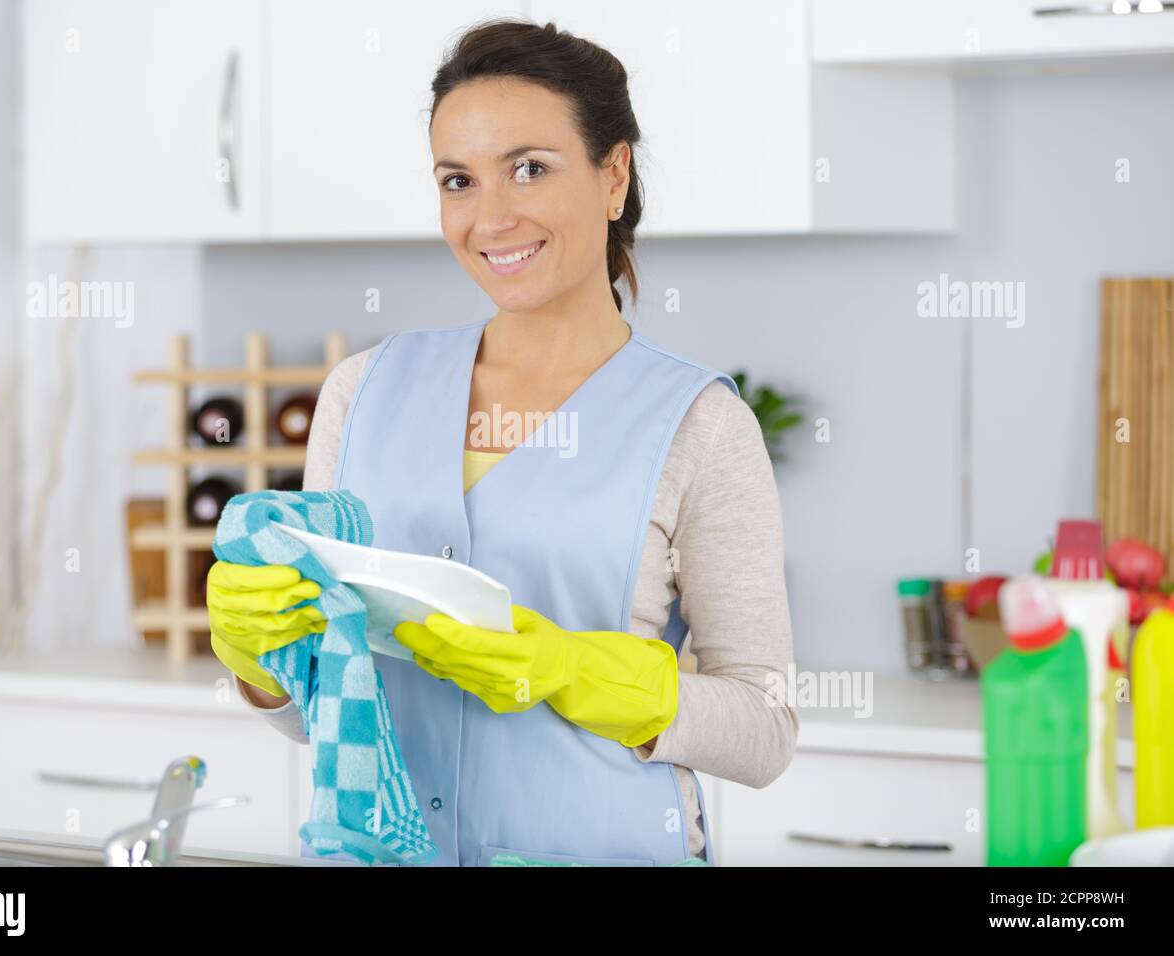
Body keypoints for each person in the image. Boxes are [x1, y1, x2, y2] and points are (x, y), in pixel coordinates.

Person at [206, 18, 796, 866]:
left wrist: (572, 670)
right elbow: (326, 713)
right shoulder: (363, 392)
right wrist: (260, 659)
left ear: (613, 174)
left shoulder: (699, 423)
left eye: (529, 168)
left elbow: (766, 725)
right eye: (458, 180)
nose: (491, 217)